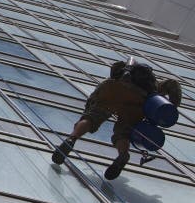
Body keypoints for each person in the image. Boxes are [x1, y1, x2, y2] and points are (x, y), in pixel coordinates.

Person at [52, 60, 182, 179]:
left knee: (92, 117)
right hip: (138, 100)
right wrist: (168, 110)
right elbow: (173, 84)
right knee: (123, 132)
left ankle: (72, 138)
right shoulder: (154, 85)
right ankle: (123, 154)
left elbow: (115, 67)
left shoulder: (127, 69)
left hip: (113, 89)